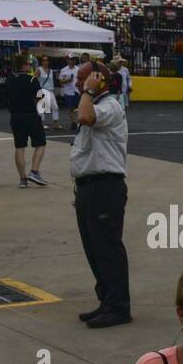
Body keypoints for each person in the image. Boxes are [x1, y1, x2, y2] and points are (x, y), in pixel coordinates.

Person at [72, 60, 132, 329]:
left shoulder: (110, 106)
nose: (78, 84)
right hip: (89, 188)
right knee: (94, 249)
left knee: (107, 248)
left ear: (98, 80)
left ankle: (119, 307)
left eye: (83, 79)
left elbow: (84, 117)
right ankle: (107, 301)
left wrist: (87, 91)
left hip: (105, 187)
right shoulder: (96, 106)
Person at [7, 55, 48, 188]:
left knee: (19, 147)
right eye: (29, 64)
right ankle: (34, 171)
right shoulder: (32, 79)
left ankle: (23, 179)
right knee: (40, 143)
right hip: (30, 114)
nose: (30, 66)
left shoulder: (9, 79)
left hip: (15, 116)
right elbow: (40, 97)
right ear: (24, 65)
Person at [35, 55, 61, 131]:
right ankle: (41, 124)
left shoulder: (51, 70)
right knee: (42, 108)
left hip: (50, 90)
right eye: (43, 60)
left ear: (49, 61)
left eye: (46, 60)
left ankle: (56, 124)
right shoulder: (38, 70)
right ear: (41, 61)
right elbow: (34, 80)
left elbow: (52, 81)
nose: (45, 61)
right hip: (42, 90)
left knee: (55, 107)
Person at [59, 55, 80, 132]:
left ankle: (79, 123)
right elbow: (60, 81)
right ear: (67, 60)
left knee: (78, 108)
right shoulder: (63, 70)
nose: (72, 61)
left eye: (74, 59)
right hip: (68, 91)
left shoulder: (79, 69)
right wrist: (67, 80)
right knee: (71, 108)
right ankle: (73, 122)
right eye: (71, 59)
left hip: (77, 91)